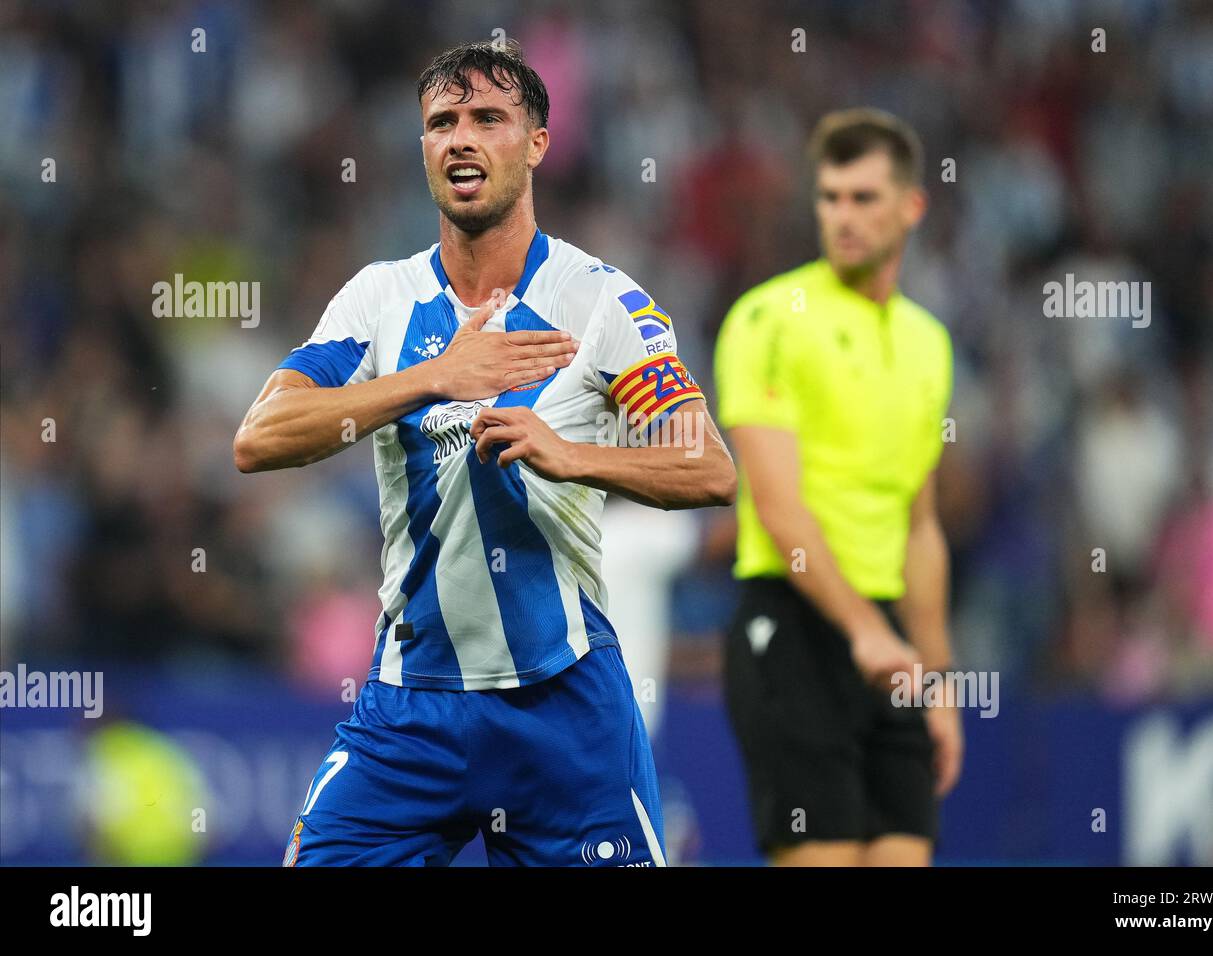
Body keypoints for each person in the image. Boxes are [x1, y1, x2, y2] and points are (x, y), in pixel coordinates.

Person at [233, 39, 735, 867]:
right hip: (411, 708)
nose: (462, 138)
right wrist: (435, 377)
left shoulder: (603, 302)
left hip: (564, 707)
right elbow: (261, 437)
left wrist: (575, 456)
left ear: (537, 142)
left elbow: (709, 467)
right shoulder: (379, 300)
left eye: (489, 119)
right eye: (443, 122)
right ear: (424, 147)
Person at [715, 107, 960, 867]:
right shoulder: (768, 319)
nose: (842, 217)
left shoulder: (929, 342)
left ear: (911, 206)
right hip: (793, 630)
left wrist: (938, 679)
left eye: (863, 198)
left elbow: (920, 525)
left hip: (886, 643)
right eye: (829, 197)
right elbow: (778, 509)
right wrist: (863, 631)